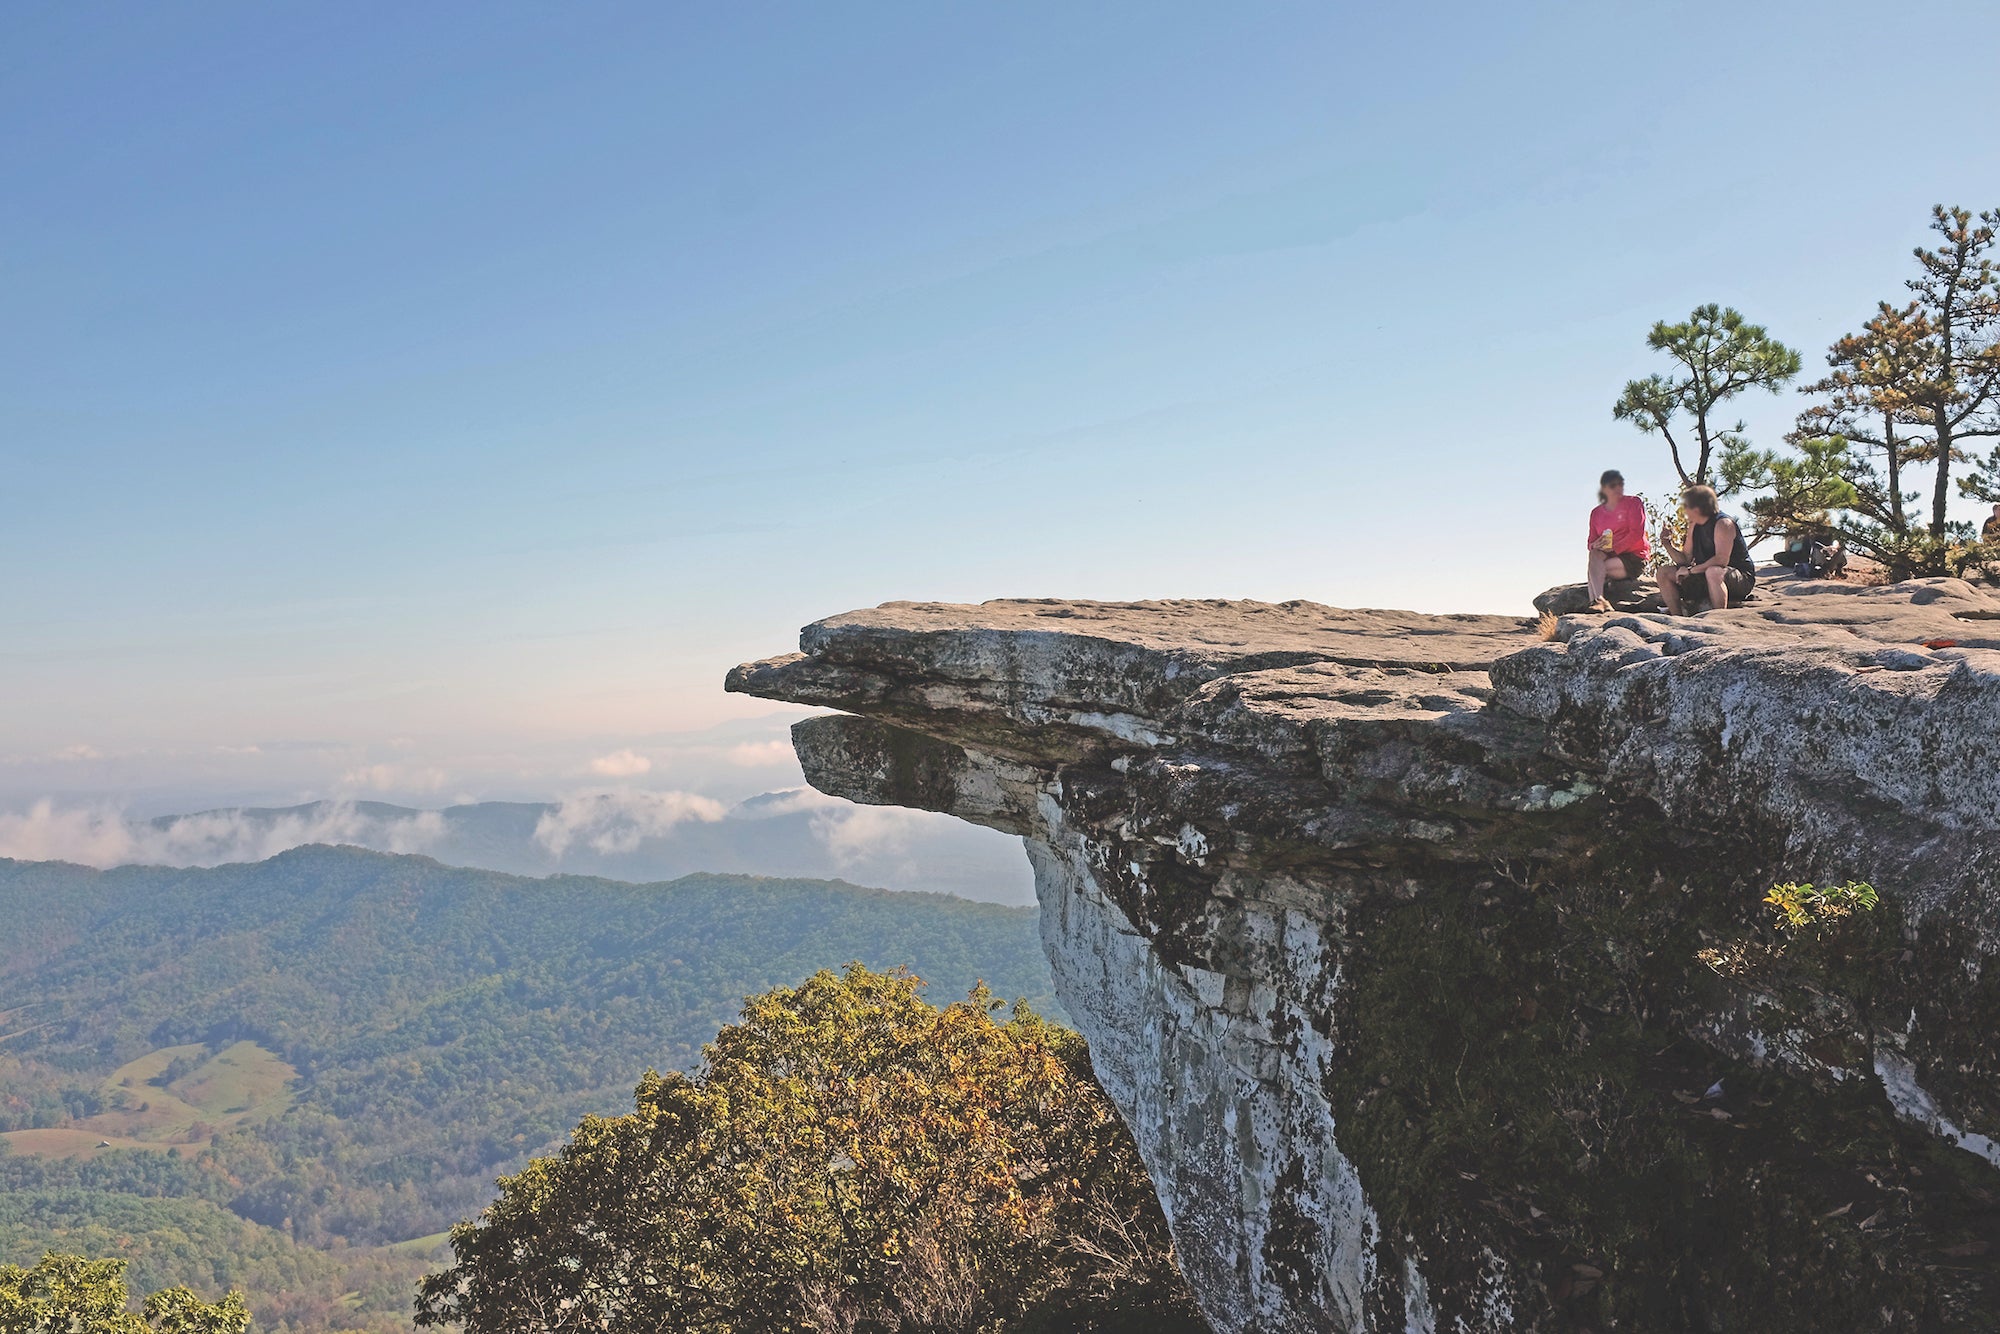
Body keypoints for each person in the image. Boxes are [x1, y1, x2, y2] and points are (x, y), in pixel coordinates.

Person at [1657, 485, 1755, 615]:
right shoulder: (1694, 525)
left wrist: (1690, 571)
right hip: (1704, 573)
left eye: (1686, 507)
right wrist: (1667, 544)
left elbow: (1721, 560)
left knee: (1714, 572)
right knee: (1663, 572)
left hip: (1738, 577)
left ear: (1696, 508)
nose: (1685, 511)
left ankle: (1718, 618)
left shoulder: (1723, 524)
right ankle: (1677, 617)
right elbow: (1685, 558)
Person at [1585, 470, 1650, 612]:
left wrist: (1614, 549)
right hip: (1607, 556)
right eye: (1613, 485)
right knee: (1594, 555)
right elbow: (1590, 542)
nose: (1618, 488)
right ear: (1604, 489)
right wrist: (1594, 545)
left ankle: (1597, 601)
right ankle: (1598, 602)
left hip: (1633, 556)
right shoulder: (1596, 513)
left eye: (1620, 484)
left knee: (1595, 570)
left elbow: (1636, 533)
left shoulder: (1633, 503)